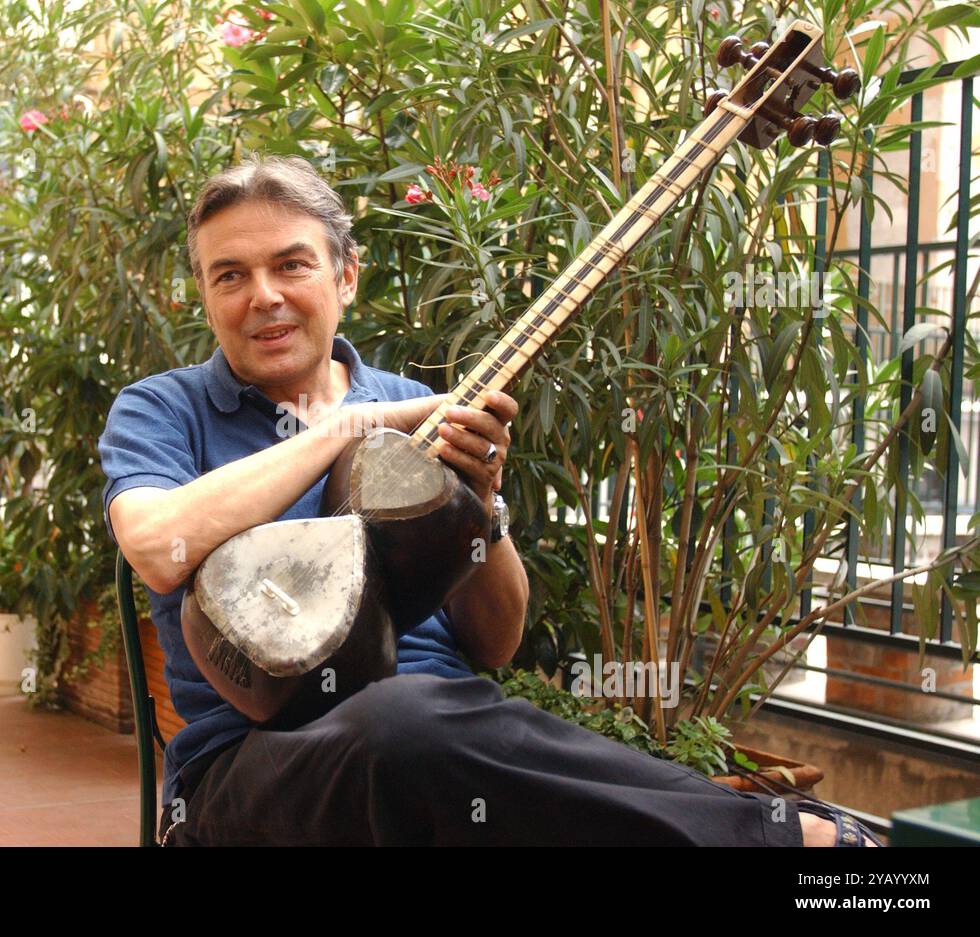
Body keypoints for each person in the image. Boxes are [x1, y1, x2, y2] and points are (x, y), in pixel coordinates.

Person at [99, 153, 878, 847]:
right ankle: (785, 841)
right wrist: (344, 430)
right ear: (204, 295)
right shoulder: (163, 409)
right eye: (229, 274)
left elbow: (497, 642)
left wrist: (479, 511)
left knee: (425, 723)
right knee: (399, 723)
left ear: (345, 275)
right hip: (251, 774)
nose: (262, 296)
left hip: (439, 747)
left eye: (290, 265)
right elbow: (155, 544)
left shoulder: (420, 409)